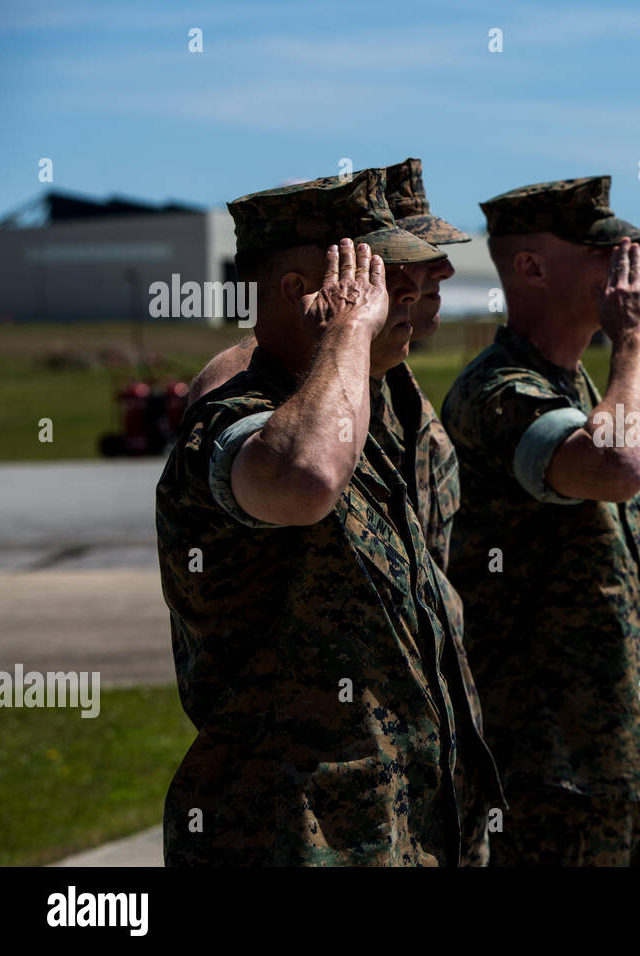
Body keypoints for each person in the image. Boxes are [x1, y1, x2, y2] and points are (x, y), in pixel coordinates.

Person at [156, 168, 492, 865]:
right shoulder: (238, 421)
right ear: (296, 292)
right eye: (371, 274)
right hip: (288, 838)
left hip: (406, 830)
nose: (400, 293)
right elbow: (304, 478)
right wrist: (348, 331)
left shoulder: (371, 408)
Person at [441, 176, 640, 867]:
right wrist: (638, 340)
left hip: (611, 753)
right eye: (603, 252)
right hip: (547, 764)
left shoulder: (576, 386)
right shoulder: (499, 391)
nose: (627, 266)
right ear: (531, 267)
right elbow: (616, 465)